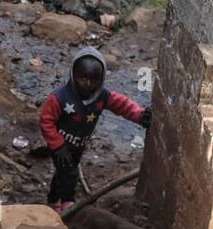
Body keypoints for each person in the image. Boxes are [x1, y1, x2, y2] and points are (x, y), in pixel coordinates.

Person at [39, 47, 152, 214]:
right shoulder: (60, 98)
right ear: (73, 75)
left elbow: (123, 105)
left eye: (93, 79)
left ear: (102, 79)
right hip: (60, 145)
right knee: (69, 172)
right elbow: (46, 121)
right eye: (82, 78)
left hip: (78, 144)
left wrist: (139, 115)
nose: (87, 83)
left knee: (65, 171)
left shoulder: (102, 96)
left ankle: (53, 199)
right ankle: (67, 202)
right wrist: (57, 145)